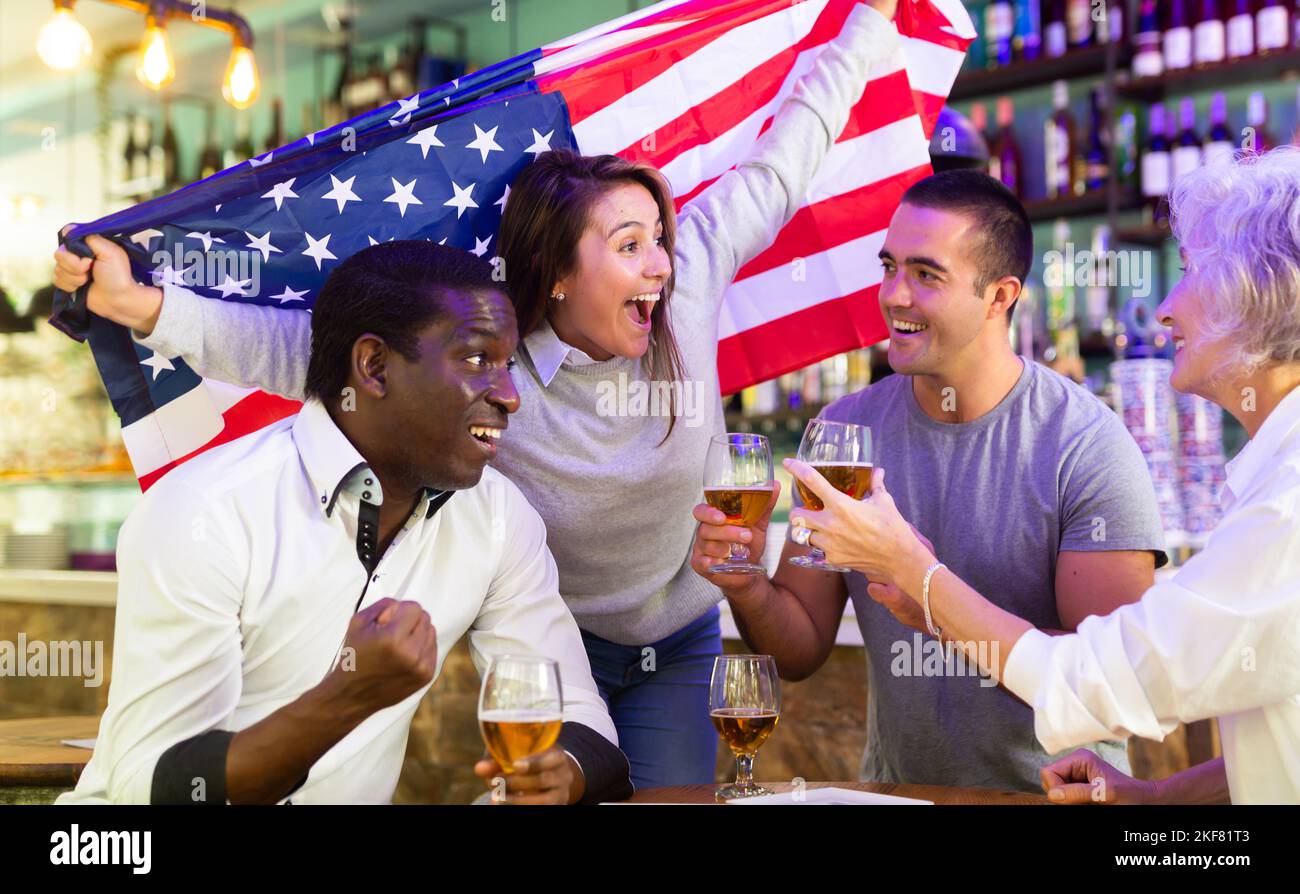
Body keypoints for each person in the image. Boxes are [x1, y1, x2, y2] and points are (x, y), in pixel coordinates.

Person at [50, 0, 905, 789]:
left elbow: (786, 160)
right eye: (631, 242)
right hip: (550, 618)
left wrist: (870, 19)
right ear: (562, 279)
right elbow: (306, 348)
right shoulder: (487, 361)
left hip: (668, 636)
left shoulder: (679, 292)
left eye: (662, 240)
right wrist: (139, 306)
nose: (661, 263)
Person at [781, 148, 1300, 804]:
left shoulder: (1285, 509)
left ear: (1260, 297)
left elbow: (1098, 678)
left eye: (1193, 271)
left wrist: (915, 571)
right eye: (890, 268)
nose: (1165, 306)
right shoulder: (1274, 485)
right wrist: (1157, 800)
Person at [51, 241, 630, 804]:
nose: (509, 395)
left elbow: (580, 719)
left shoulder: (498, 515)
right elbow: (151, 788)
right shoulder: (205, 511)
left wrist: (561, 776)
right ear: (373, 366)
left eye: (507, 366)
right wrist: (347, 696)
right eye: (478, 359)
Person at [692, 169, 1168, 793]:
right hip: (898, 796)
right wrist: (746, 582)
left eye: (925, 275)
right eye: (889, 267)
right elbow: (800, 651)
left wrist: (928, 595)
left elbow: (1112, 682)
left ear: (1000, 297)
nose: (893, 295)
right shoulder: (844, 433)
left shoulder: (1085, 446)